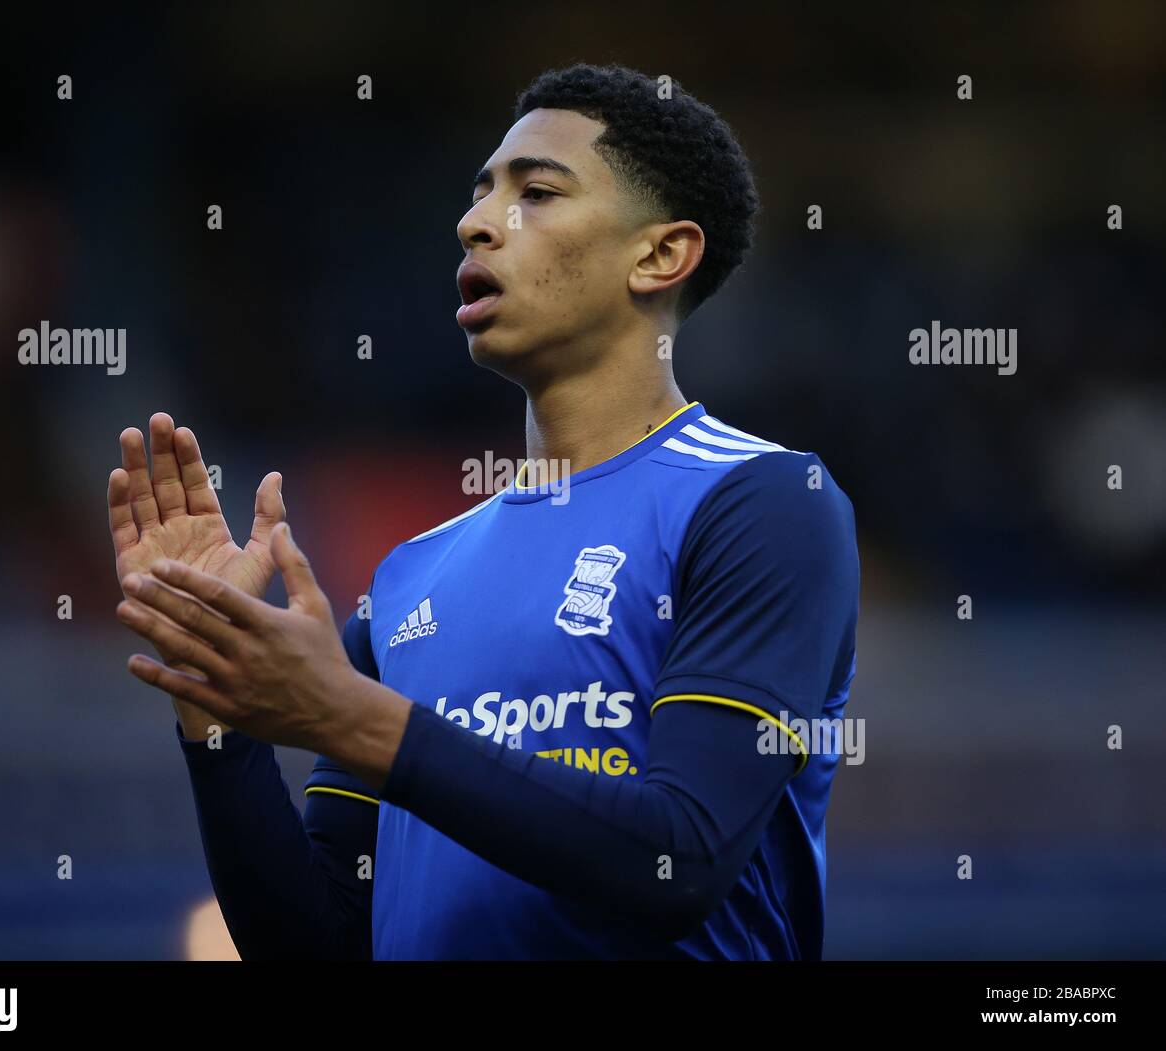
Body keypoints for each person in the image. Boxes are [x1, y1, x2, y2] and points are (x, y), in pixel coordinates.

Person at [106, 63, 859, 960]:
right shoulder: (409, 579)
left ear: (660, 255)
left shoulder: (761, 502)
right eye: (480, 193)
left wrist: (350, 716)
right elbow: (319, 944)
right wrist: (213, 692)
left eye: (537, 191)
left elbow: (679, 857)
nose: (474, 222)